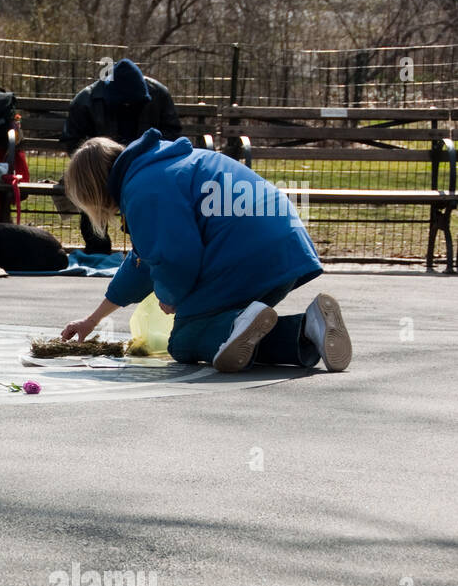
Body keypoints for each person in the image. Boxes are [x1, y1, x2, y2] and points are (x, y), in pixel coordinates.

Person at [59, 131, 352, 373]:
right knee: (230, 332)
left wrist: (170, 296)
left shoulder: (143, 190)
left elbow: (174, 258)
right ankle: (309, 328)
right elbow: (143, 263)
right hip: (284, 248)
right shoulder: (160, 166)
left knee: (186, 340)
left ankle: (237, 324)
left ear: (94, 193)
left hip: (245, 255)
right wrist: (92, 320)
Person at [56, 59, 182, 253]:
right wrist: (94, 160)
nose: (129, 106)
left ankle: (144, 248)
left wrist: (149, 155)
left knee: (148, 191)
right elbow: (72, 140)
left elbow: (172, 131)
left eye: (133, 104)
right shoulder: (87, 100)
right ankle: (97, 248)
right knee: (93, 185)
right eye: (124, 104)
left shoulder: (158, 95)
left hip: (145, 163)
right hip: (101, 164)